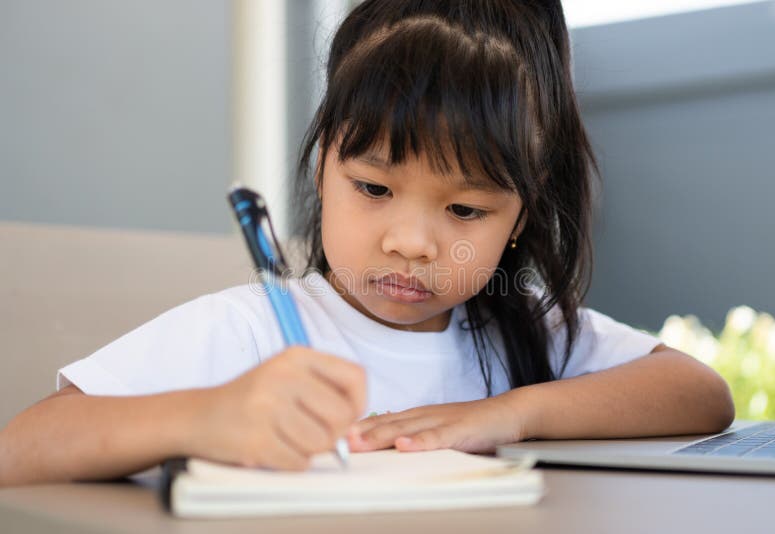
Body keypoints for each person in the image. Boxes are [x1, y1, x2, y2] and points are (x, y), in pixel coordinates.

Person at [0, 0, 734, 486]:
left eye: (466, 209)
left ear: (521, 215)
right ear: (323, 168)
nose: (412, 242)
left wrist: (507, 414)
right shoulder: (247, 329)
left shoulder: (516, 326)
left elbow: (702, 394)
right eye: (375, 190)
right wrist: (203, 415)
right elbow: (19, 450)